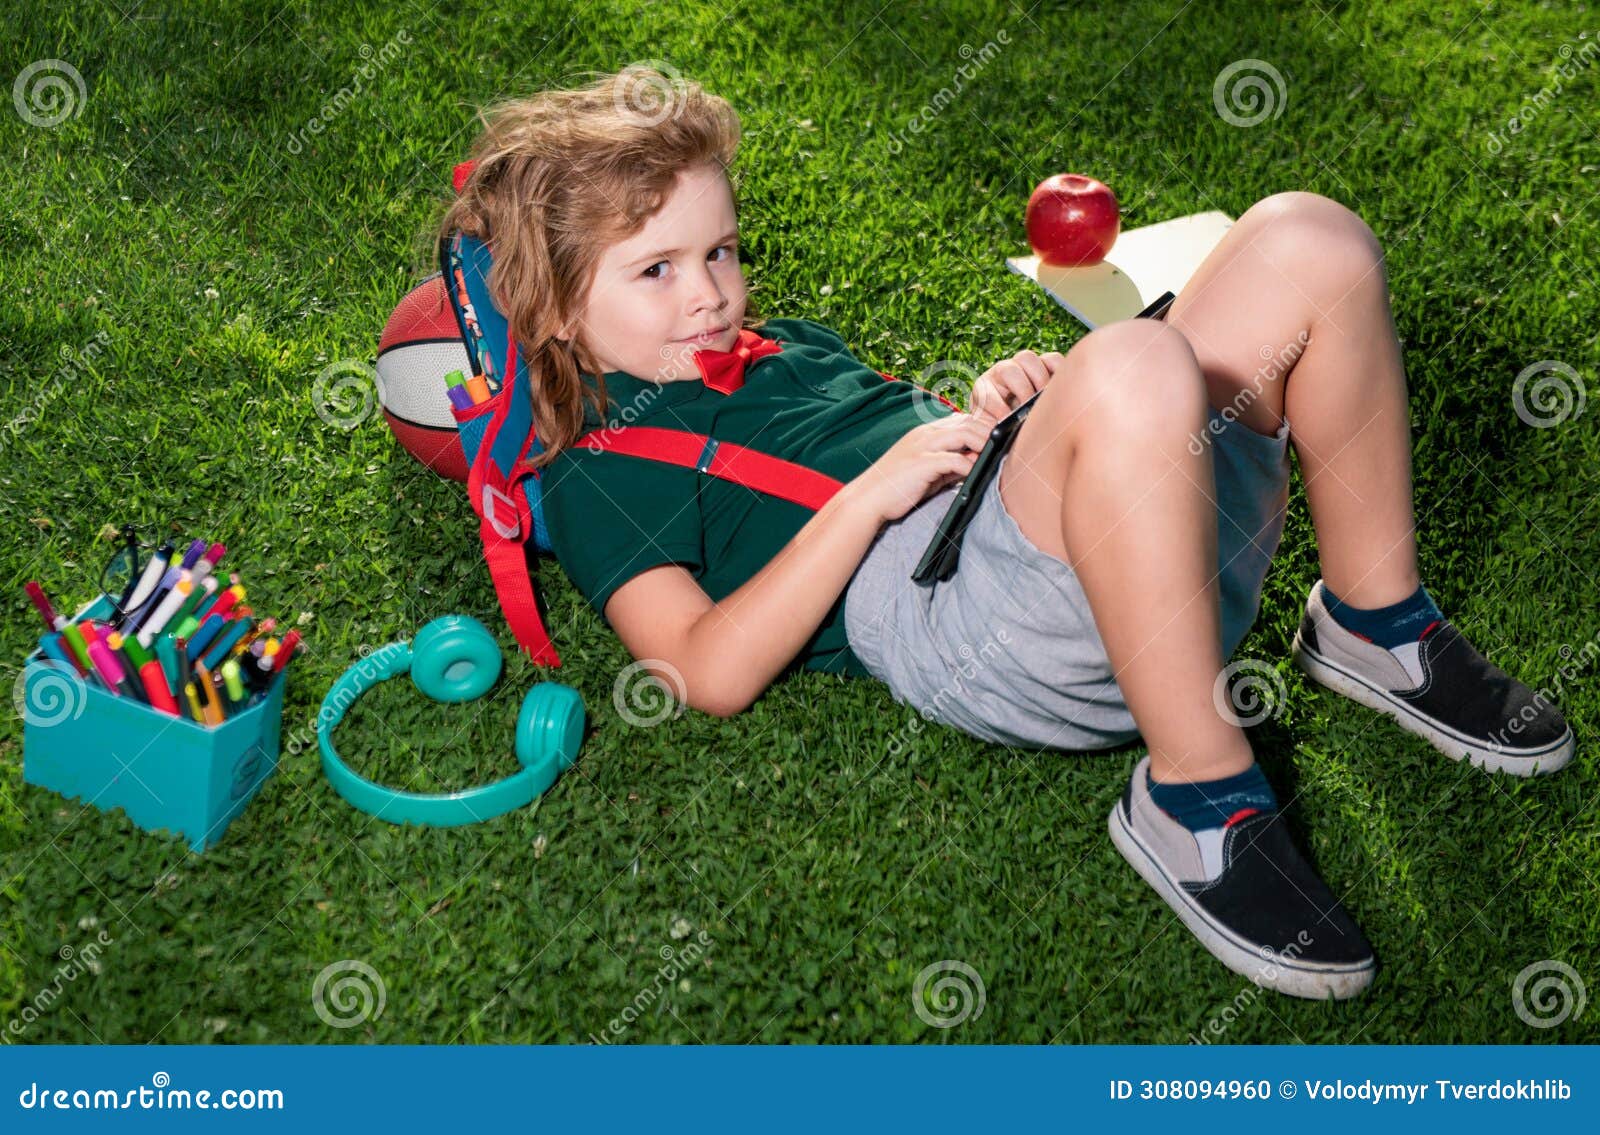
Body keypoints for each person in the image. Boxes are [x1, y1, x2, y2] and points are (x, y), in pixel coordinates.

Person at [434, 67, 1573, 1000]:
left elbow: (937, 451)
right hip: (969, 624)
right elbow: (700, 667)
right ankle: (1196, 800)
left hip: (1077, 541)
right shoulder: (598, 473)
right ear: (557, 312)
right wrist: (873, 492)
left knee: (1308, 240)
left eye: (721, 250)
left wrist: (1007, 413)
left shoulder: (784, 345)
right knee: (1130, 361)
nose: (712, 293)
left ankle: (1374, 622)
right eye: (658, 270)